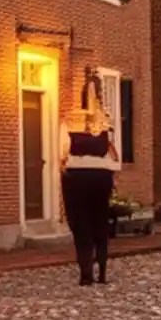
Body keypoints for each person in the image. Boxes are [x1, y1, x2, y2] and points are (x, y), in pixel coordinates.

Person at [61, 68, 120, 286]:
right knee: (100, 222)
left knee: (80, 223)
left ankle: (86, 272)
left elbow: (62, 149)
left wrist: (64, 164)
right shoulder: (105, 120)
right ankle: (102, 270)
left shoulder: (71, 119)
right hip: (101, 175)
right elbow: (114, 152)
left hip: (77, 175)